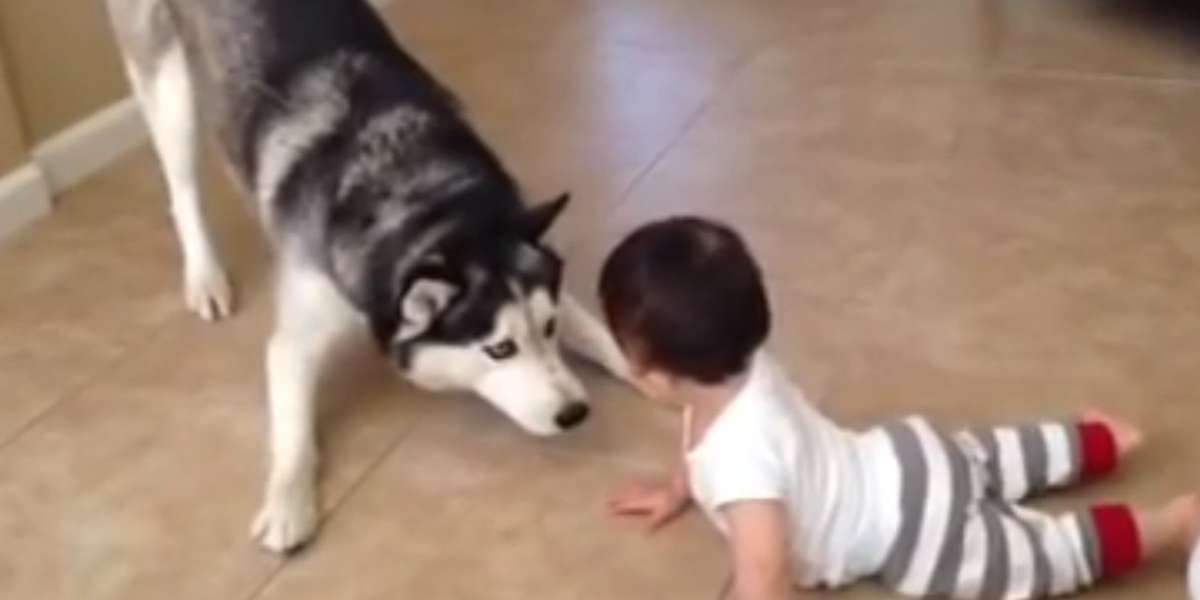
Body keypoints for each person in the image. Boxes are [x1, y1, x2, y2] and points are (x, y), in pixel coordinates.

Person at [597, 216, 1200, 600]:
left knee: (1040, 557)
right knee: (994, 455)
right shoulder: (744, 366)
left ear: (654, 375)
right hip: (904, 454)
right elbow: (696, 440)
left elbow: (765, 570)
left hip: (911, 537)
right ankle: (1097, 441)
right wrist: (680, 490)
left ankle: (1171, 525)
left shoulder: (740, 466)